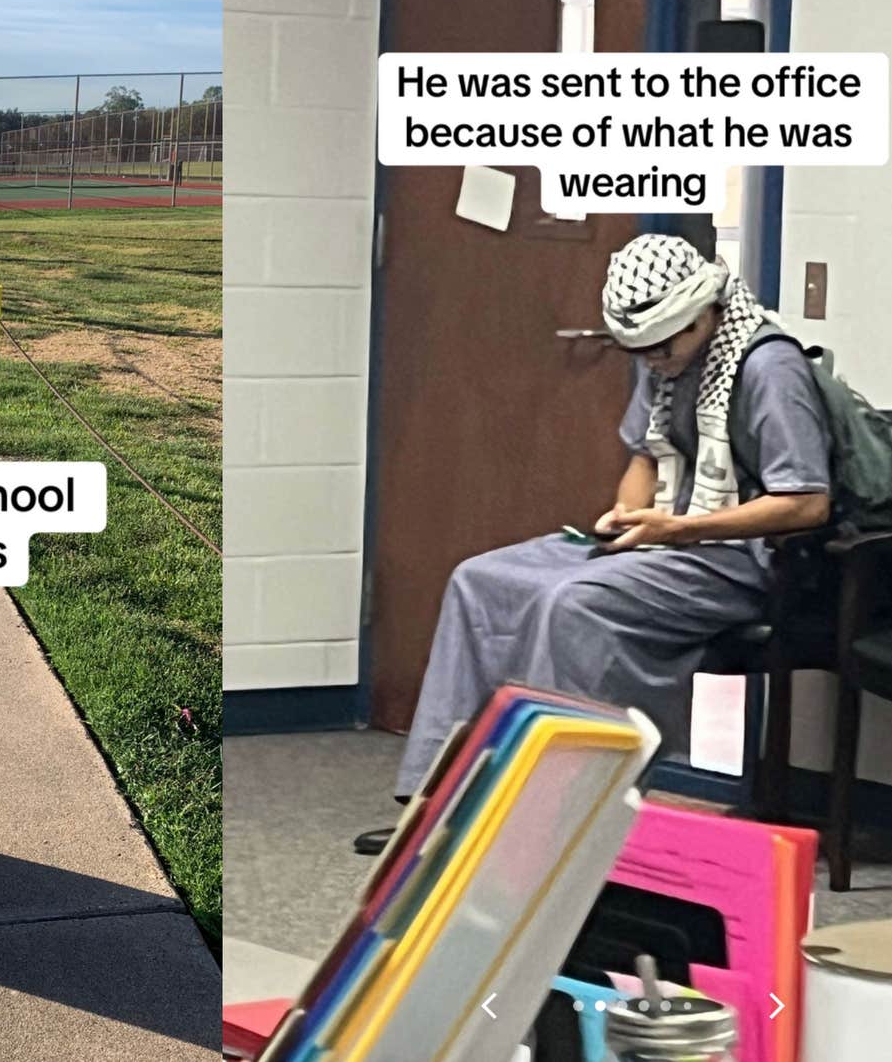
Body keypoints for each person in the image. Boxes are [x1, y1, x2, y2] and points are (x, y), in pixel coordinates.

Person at [356, 233, 833, 854]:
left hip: (743, 560)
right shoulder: (664, 363)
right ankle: (443, 805)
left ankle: (552, 818)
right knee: (479, 580)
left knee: (574, 603)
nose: (653, 360)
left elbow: (806, 501)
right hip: (668, 538)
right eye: (640, 350)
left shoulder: (769, 368)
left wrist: (677, 529)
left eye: (663, 346)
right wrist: (627, 517)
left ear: (704, 315)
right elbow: (645, 456)